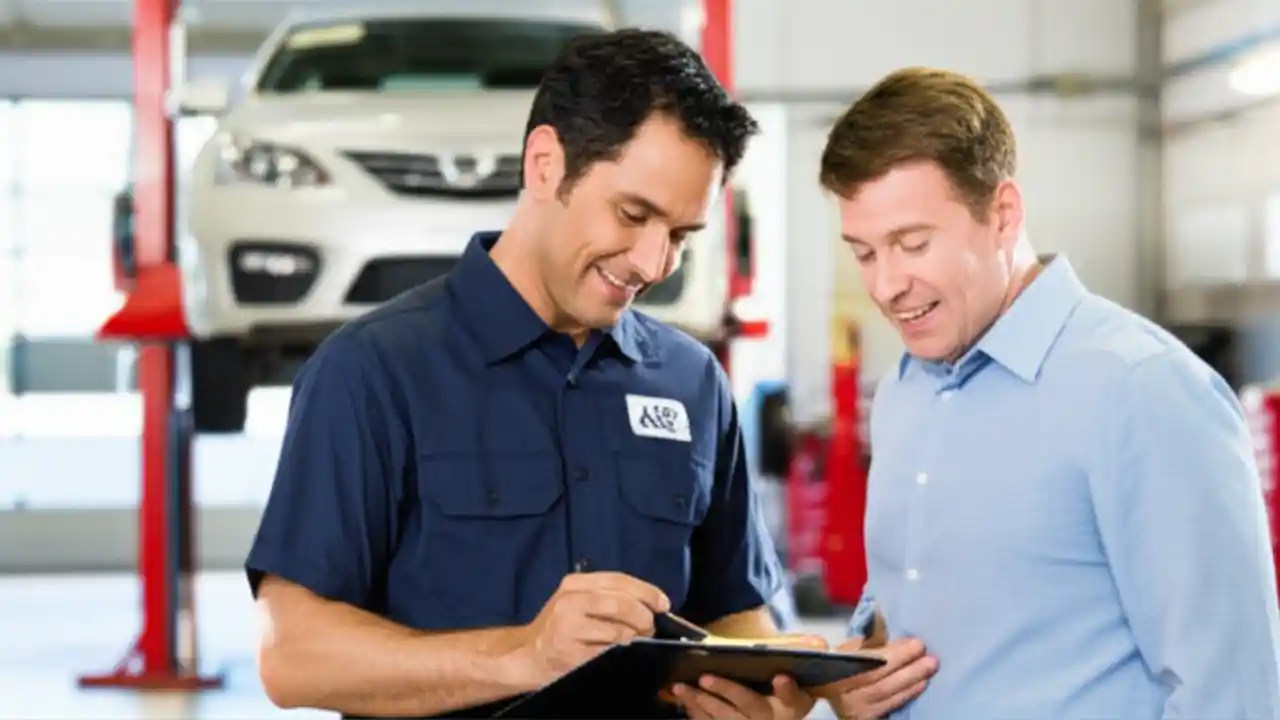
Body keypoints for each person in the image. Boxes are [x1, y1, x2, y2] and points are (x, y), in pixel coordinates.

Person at [243, 28, 824, 720]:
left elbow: (738, 615)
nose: (653, 263)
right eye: (633, 215)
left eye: (680, 235)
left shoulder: (690, 382)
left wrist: (779, 685)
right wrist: (525, 655)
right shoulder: (373, 372)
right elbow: (295, 657)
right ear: (545, 164)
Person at [814, 66, 1280, 719]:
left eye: (912, 244)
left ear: (1003, 214)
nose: (887, 285)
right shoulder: (905, 391)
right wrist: (858, 672)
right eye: (863, 253)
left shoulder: (1140, 390)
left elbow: (1230, 690)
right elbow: (907, 598)